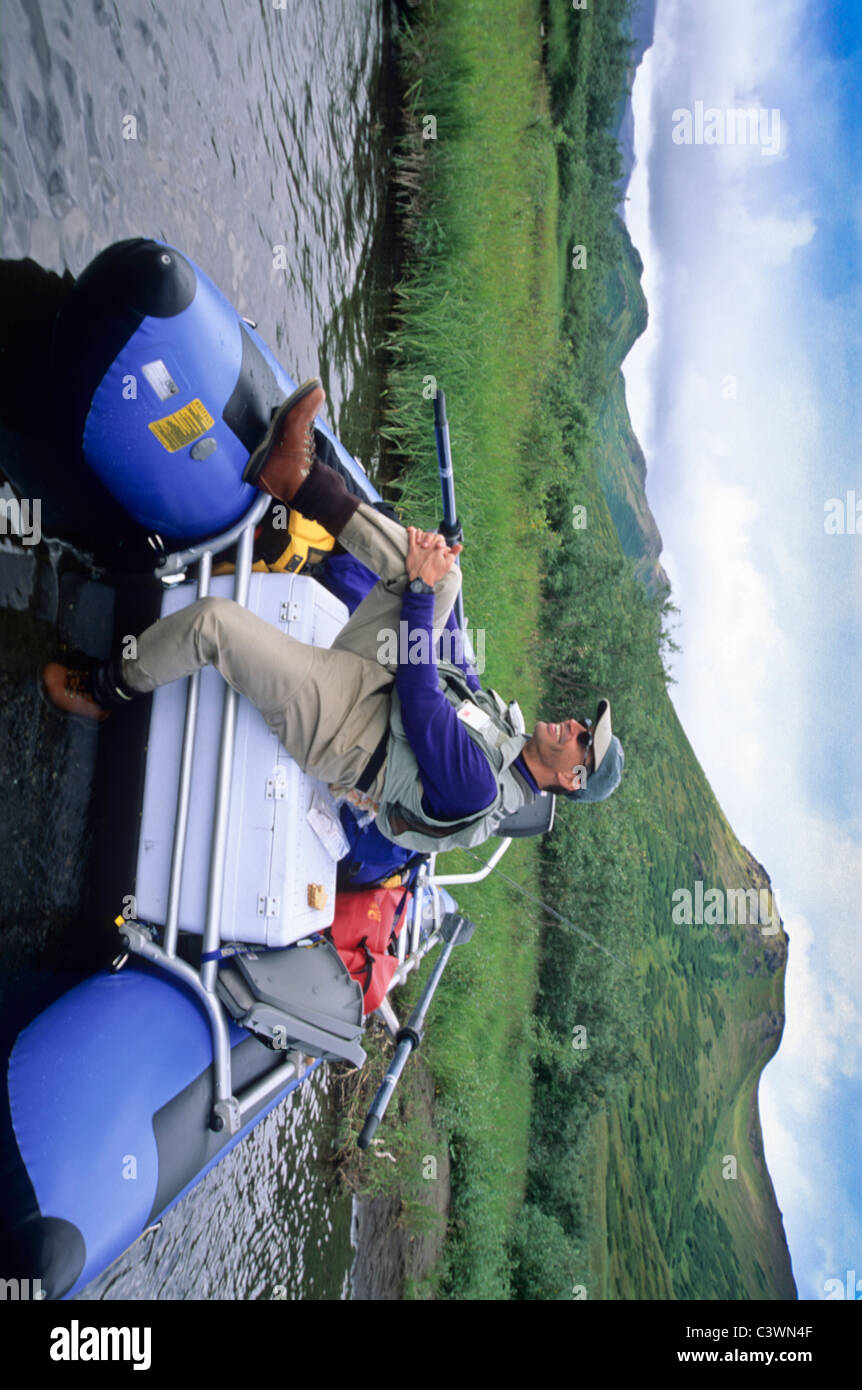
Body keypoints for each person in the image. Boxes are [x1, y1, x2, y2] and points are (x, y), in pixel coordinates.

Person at [43, 381, 623, 852]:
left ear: (572, 778)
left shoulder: (480, 791)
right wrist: (433, 563)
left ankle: (106, 689)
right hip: (378, 682)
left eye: (581, 742)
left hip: (343, 730)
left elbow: (423, 703)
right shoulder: (508, 734)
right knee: (451, 577)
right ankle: (298, 479)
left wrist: (418, 594)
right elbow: (454, 675)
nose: (573, 726)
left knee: (212, 624)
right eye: (581, 724)